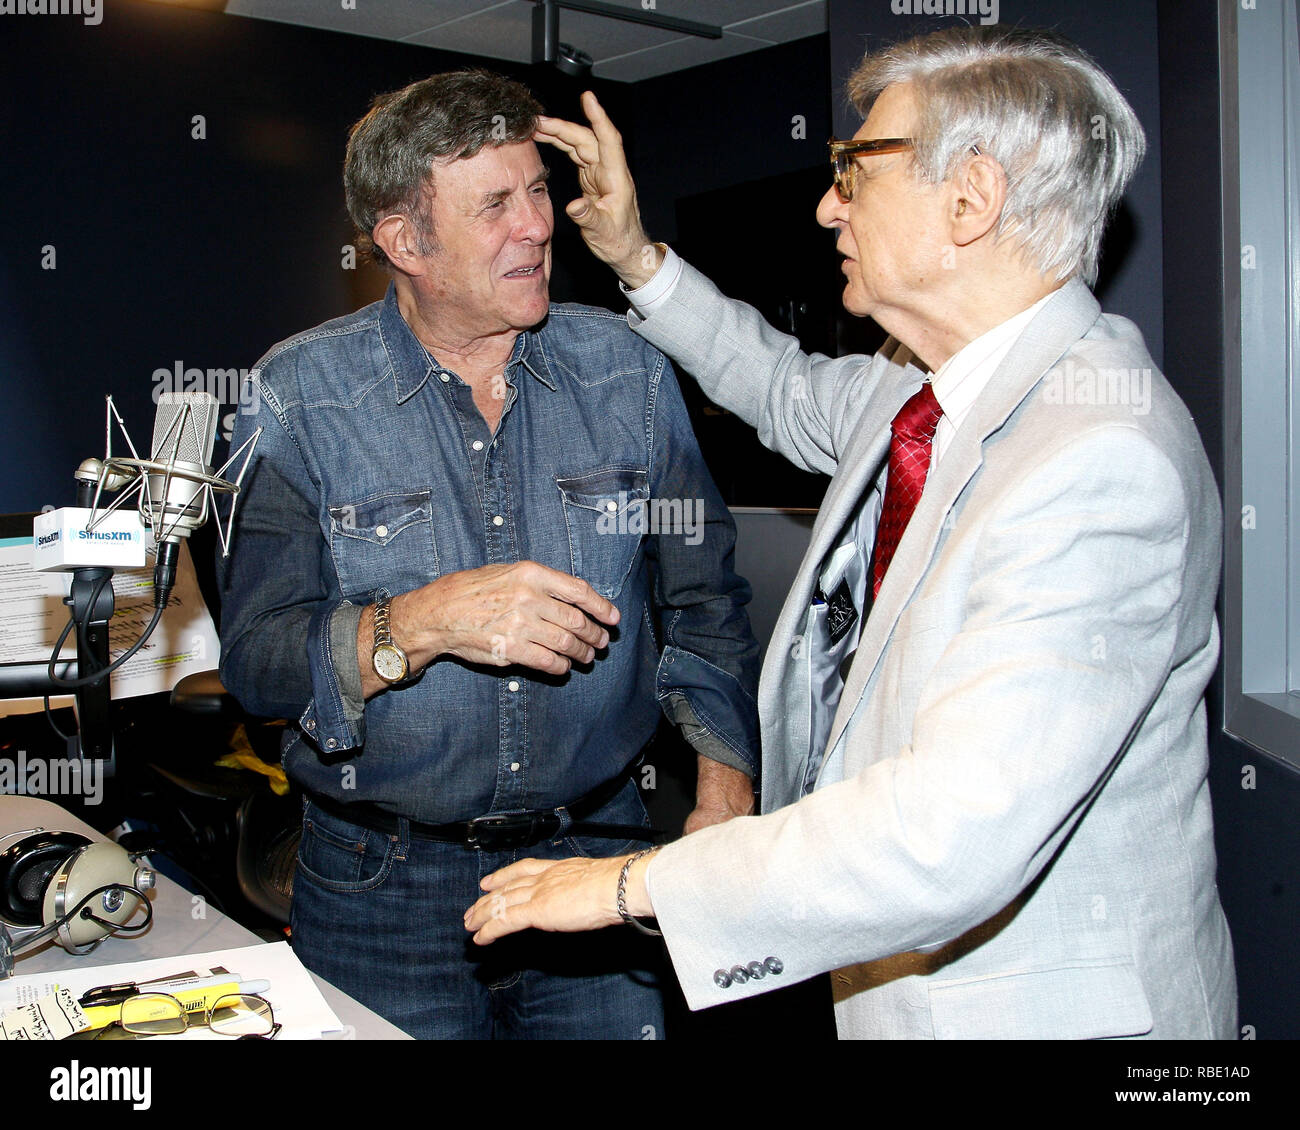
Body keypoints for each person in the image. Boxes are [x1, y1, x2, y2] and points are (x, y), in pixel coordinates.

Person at [465, 26, 1239, 1040]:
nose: (829, 202)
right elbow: (778, 384)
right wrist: (632, 254)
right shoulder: (925, 390)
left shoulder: (1099, 459)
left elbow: (950, 831)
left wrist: (632, 882)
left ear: (971, 196)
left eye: (854, 169)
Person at [216, 70, 760, 1040]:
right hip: (380, 883)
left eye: (539, 190)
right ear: (403, 241)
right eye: (496, 204)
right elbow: (258, 663)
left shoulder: (626, 370)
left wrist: (723, 795)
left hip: (594, 863)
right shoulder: (295, 397)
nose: (537, 226)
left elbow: (704, 601)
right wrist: (421, 622)